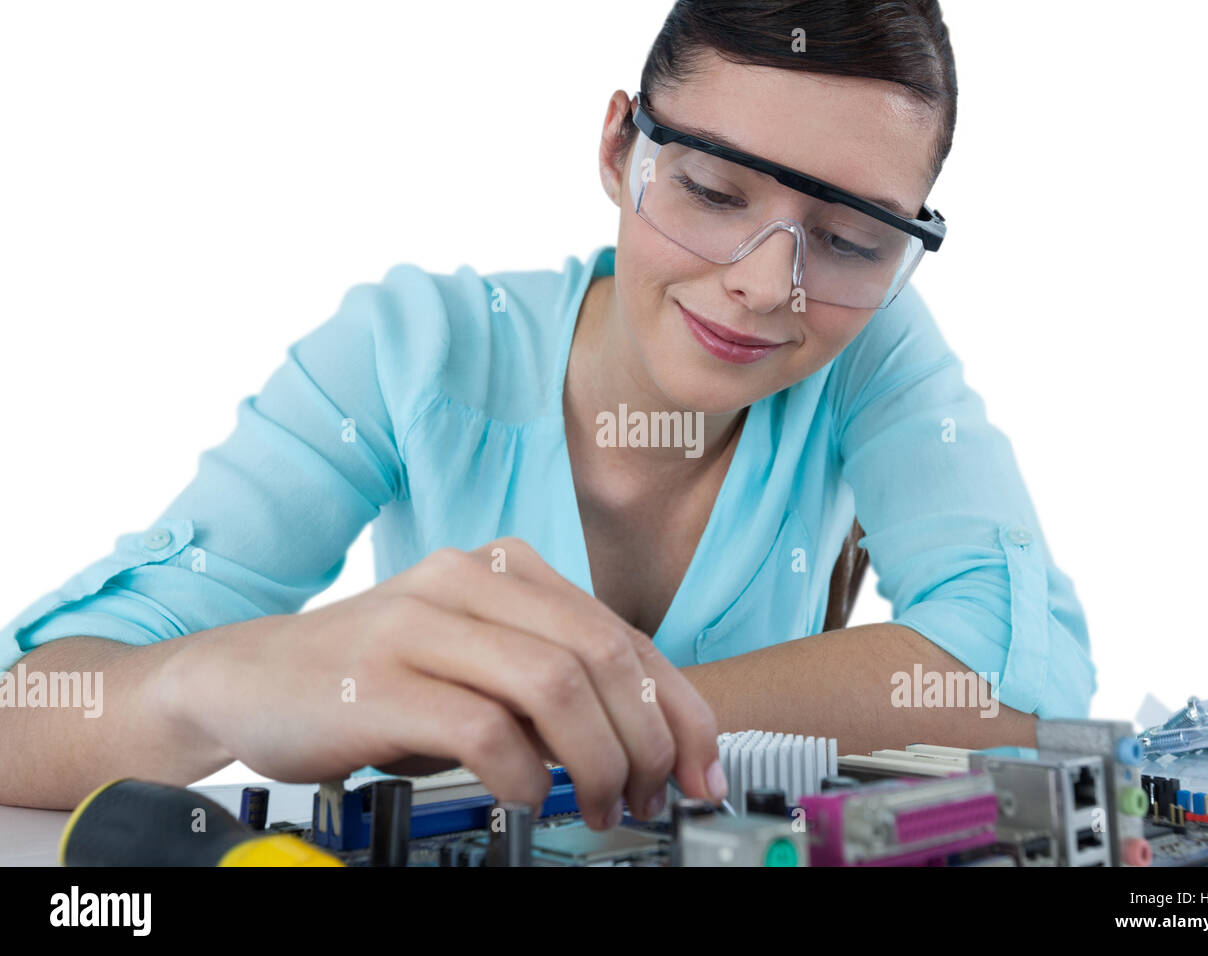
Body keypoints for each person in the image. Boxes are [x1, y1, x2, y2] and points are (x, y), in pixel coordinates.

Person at [0, 0, 1095, 829]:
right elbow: (27, 706)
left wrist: (561, 713)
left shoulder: (873, 352)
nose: (769, 285)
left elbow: (1017, 676)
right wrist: (226, 686)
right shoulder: (410, 347)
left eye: (852, 238)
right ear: (620, 148)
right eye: (715, 192)